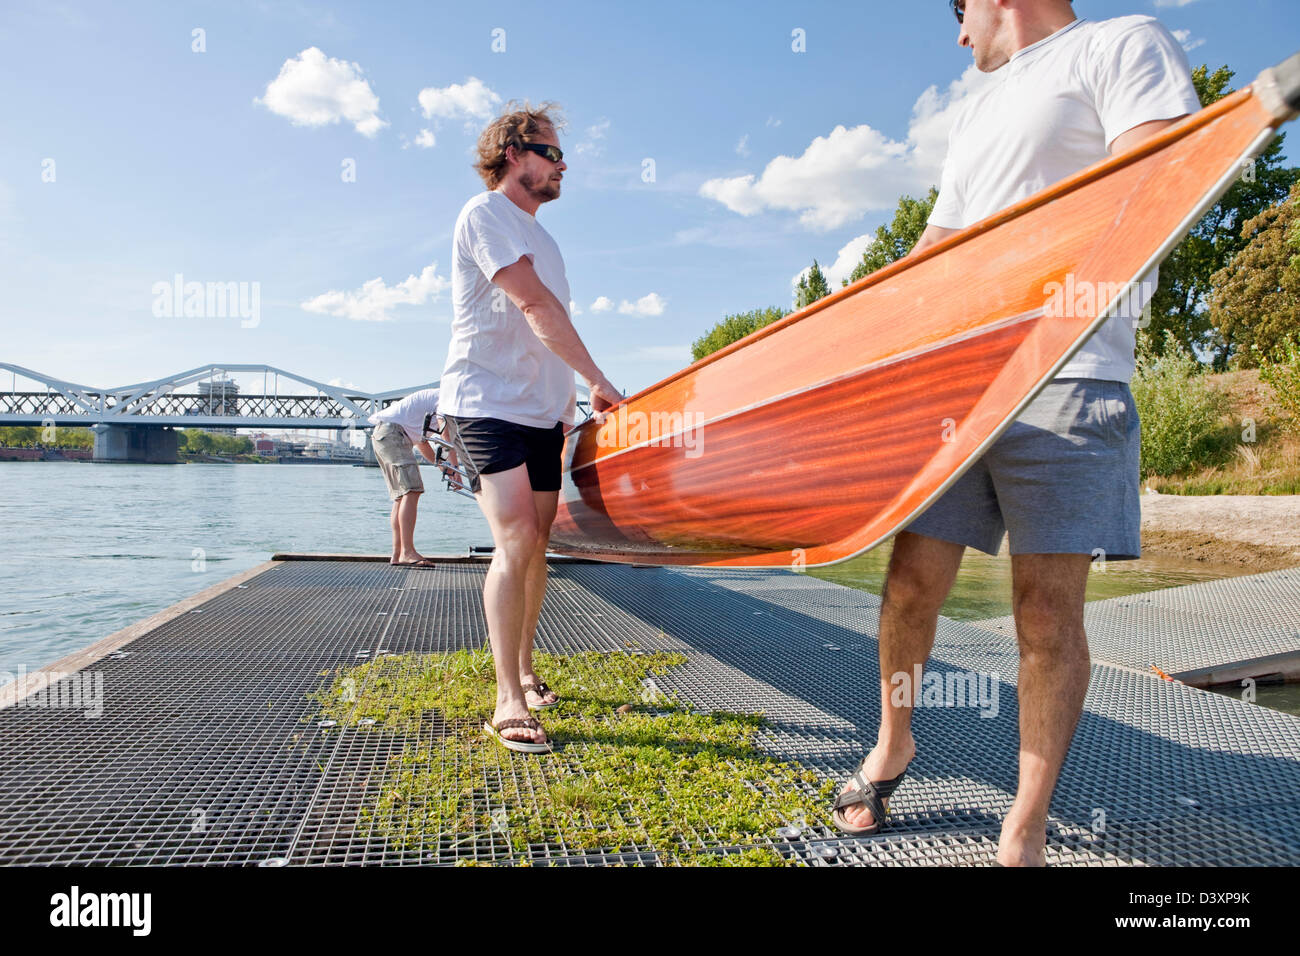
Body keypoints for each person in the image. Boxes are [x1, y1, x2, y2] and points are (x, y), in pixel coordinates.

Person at [831, 1, 1201, 866]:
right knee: (911, 584)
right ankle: (894, 745)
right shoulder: (978, 113)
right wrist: (851, 339)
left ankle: (1024, 827)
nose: (957, 36)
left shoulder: (1121, 43)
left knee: (1043, 613)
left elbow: (1155, 179)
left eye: (958, 13)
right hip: (962, 390)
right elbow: (937, 250)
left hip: (1075, 376)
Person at [439, 103, 621, 754]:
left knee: (538, 541)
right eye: (550, 152)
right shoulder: (484, 214)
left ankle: (523, 667)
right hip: (484, 402)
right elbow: (534, 304)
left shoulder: (547, 239)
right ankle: (507, 698)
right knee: (515, 535)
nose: (562, 164)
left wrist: (569, 399)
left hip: (543, 411)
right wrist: (600, 379)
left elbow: (547, 330)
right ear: (514, 154)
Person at [367, 387, 441, 567]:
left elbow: (422, 443)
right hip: (393, 434)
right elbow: (447, 439)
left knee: (401, 497)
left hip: (384, 434)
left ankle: (398, 553)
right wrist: (452, 468)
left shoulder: (434, 405)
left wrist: (442, 467)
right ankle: (407, 552)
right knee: (412, 491)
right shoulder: (448, 400)